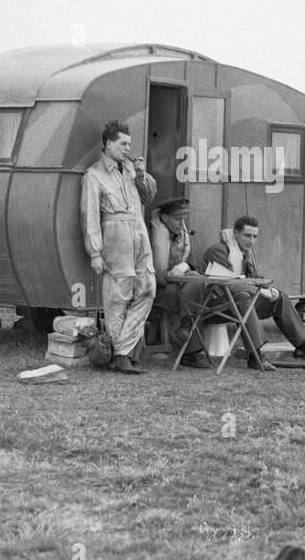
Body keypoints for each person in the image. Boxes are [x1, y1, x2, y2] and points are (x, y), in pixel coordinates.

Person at [80, 120, 157, 374]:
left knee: (148, 288)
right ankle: (121, 356)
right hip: (115, 234)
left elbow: (148, 197)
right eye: (123, 144)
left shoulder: (131, 172)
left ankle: (120, 350)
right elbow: (90, 216)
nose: (127, 149)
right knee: (117, 296)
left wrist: (142, 174)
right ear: (108, 143)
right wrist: (95, 252)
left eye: (130, 144)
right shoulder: (94, 175)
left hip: (139, 233)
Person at [198, 214, 305, 370]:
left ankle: (303, 347)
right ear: (236, 233)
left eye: (255, 236)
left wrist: (269, 289)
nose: (251, 240)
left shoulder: (246, 252)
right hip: (213, 307)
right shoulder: (219, 251)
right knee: (243, 297)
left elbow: (254, 278)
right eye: (247, 235)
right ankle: (255, 356)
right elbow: (227, 285)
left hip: (237, 304)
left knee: (279, 297)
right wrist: (260, 292)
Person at [148, 197, 211, 369]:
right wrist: (168, 275)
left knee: (197, 284)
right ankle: (190, 352)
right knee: (183, 295)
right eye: (177, 219)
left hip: (178, 287)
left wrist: (184, 265)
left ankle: (185, 327)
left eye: (183, 219)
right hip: (155, 289)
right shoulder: (149, 234)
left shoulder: (182, 236)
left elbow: (193, 264)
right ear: (165, 218)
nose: (181, 223)